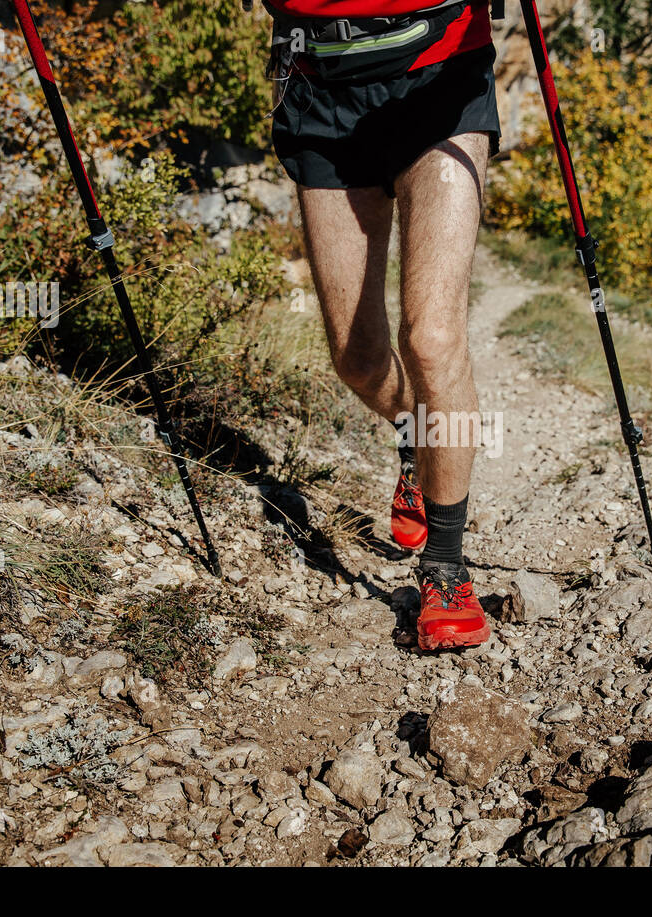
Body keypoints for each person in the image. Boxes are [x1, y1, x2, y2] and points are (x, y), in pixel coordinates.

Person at [260, 1, 501, 650]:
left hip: (440, 80)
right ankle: (414, 445)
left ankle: (446, 571)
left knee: (432, 338)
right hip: (322, 94)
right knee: (359, 362)